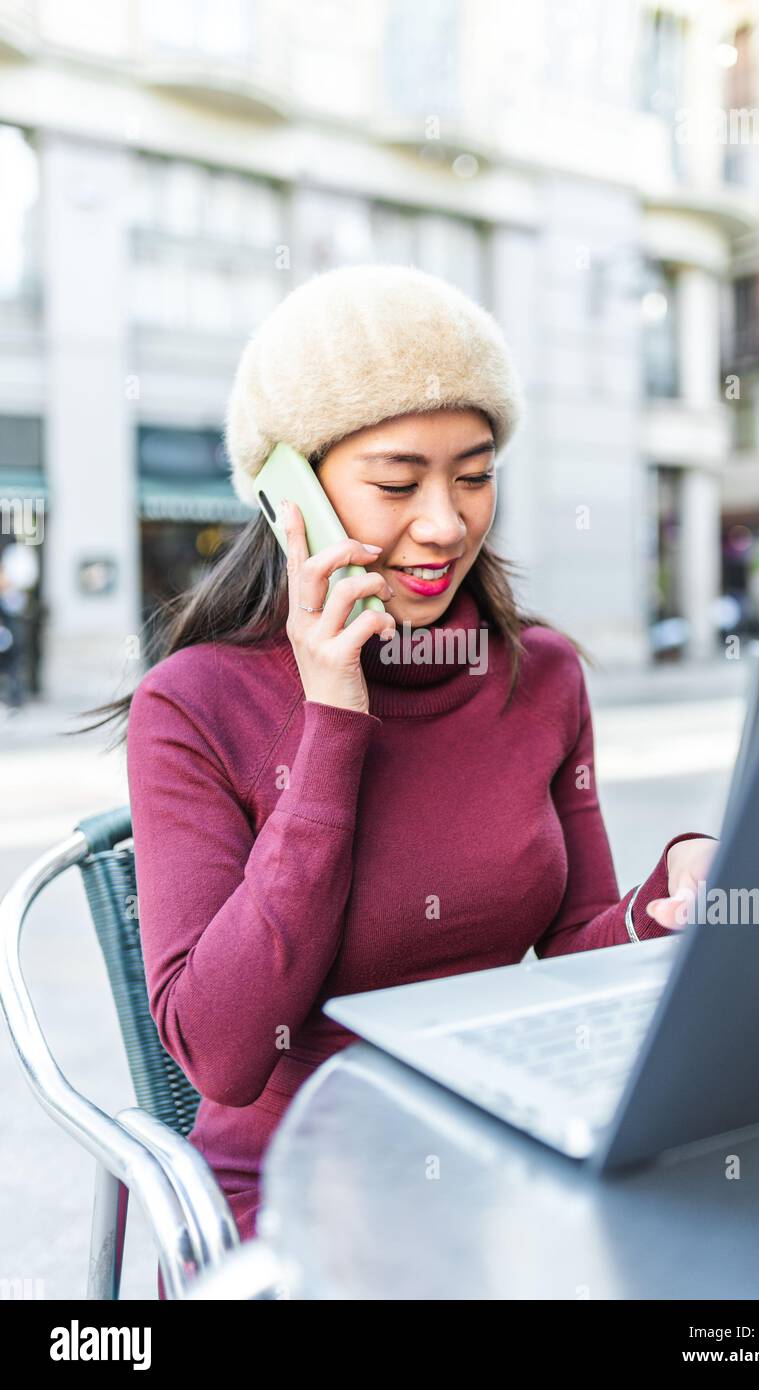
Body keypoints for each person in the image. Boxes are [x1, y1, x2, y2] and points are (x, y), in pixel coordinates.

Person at [79, 264, 715, 1299]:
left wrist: (663, 899)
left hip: (510, 1139)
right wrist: (333, 716)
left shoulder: (538, 671)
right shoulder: (194, 704)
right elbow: (224, 1054)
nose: (445, 523)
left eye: (474, 474)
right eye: (396, 480)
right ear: (292, 493)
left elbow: (569, 950)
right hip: (295, 1186)